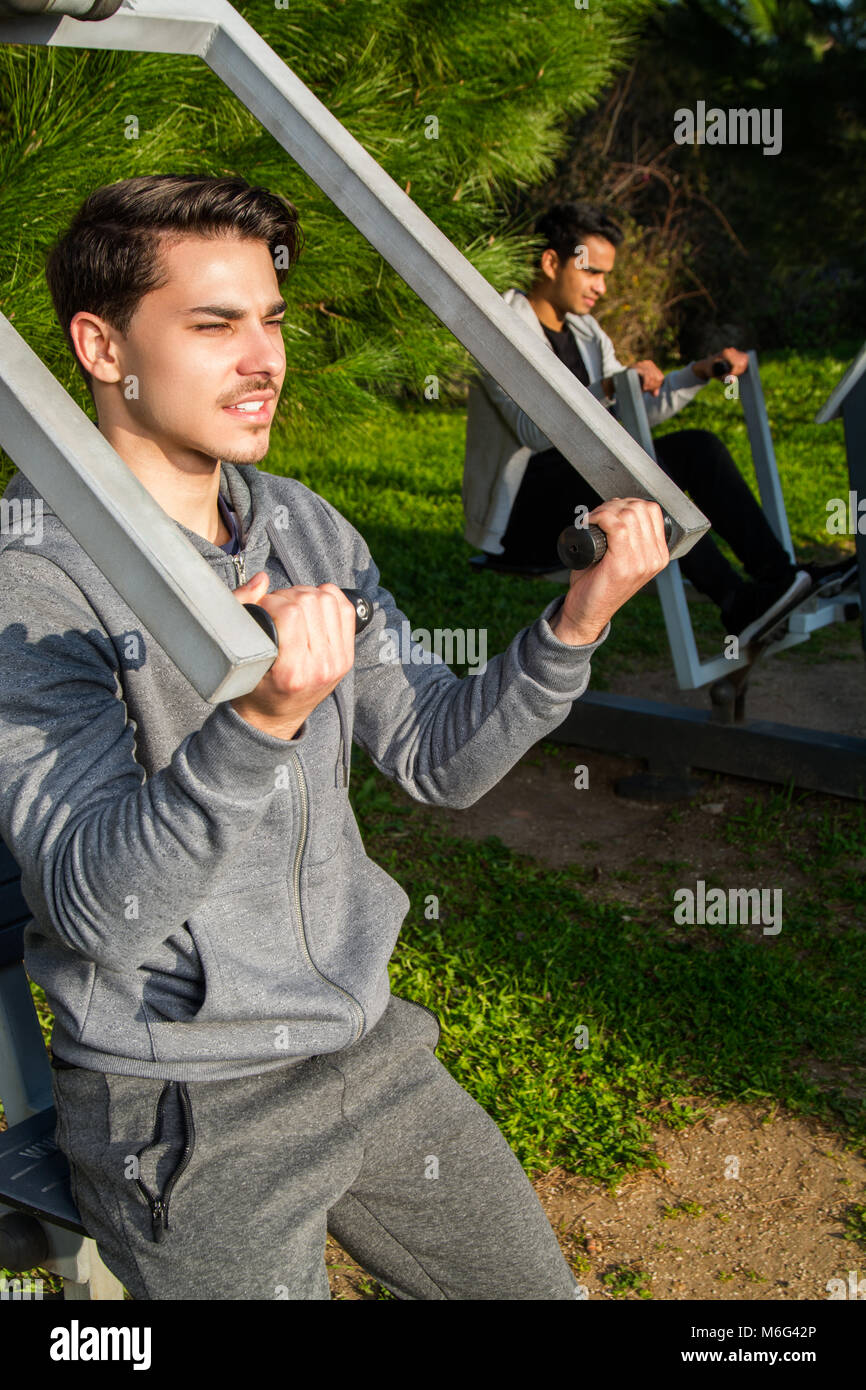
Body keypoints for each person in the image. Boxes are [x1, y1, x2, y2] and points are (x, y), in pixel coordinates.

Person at [0, 174, 669, 1301]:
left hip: (365, 1048)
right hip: (184, 1106)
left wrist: (575, 619)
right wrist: (260, 720)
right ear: (101, 346)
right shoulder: (34, 576)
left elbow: (437, 757)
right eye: (213, 325)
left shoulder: (301, 523)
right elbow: (95, 909)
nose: (263, 358)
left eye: (268, 319)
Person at [463, 202, 856, 648]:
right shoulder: (498, 328)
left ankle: (782, 580)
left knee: (697, 448)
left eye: (607, 275)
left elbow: (629, 410)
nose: (602, 288)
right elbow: (532, 431)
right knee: (639, 475)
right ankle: (736, 603)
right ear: (551, 262)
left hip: (586, 485)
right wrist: (610, 386)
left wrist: (696, 373)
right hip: (524, 515)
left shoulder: (586, 333)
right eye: (593, 272)